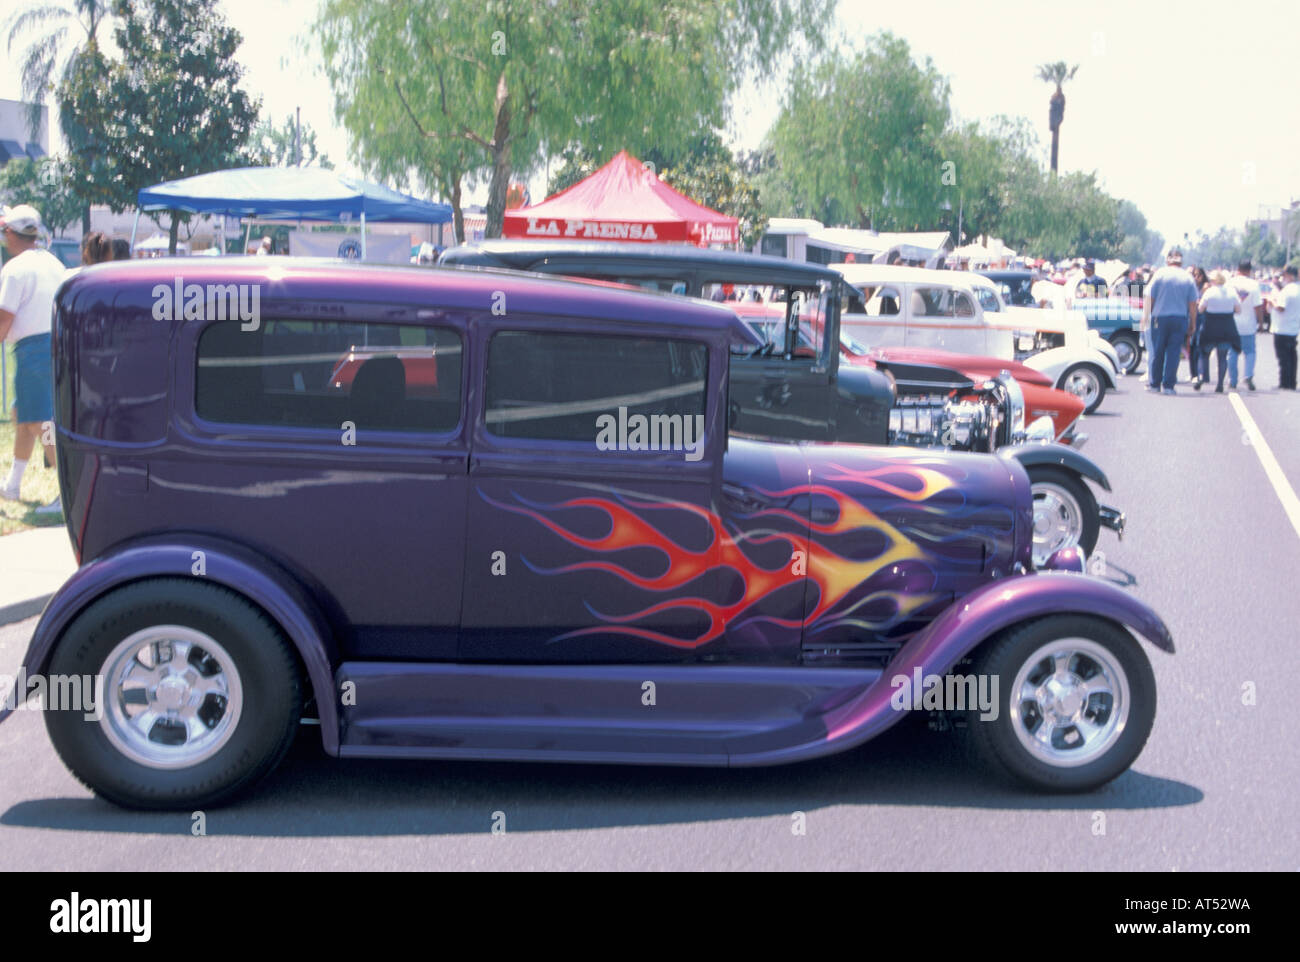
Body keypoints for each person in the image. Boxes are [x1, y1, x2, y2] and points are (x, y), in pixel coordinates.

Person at [0, 205, 66, 516]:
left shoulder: (14, 269)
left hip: (33, 351)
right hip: (58, 344)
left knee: (43, 422)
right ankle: (13, 484)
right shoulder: (53, 262)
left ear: (10, 233)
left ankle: (67, 494)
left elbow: (3, 318)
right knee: (22, 415)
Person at [1143, 248, 1198, 394]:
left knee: (1157, 351)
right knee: (1173, 352)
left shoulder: (1160, 274)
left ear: (1168, 261)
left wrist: (1146, 317)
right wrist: (1193, 322)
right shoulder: (1187, 277)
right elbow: (1193, 304)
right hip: (1179, 318)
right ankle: (1168, 385)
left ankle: (1155, 384)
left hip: (1159, 318)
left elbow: (1150, 297)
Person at [1195, 270, 1240, 392]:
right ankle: (1220, 384)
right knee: (1222, 356)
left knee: (1204, 353)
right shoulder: (1231, 292)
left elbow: (1200, 309)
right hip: (1226, 326)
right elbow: (1238, 309)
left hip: (1210, 326)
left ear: (1213, 280)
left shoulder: (1209, 292)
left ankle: (1203, 377)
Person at [1227, 259, 1262, 390]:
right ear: (1249, 270)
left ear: (1238, 269)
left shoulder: (1230, 283)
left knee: (1232, 353)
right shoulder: (1254, 285)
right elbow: (1258, 306)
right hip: (1249, 324)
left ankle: (1233, 379)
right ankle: (1248, 375)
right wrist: (1261, 323)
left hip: (1232, 323)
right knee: (1250, 352)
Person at [1267, 264, 1300, 390]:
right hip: (1293, 327)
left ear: (1290, 276)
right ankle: (1291, 381)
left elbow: (1281, 307)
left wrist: (1272, 302)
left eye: (1285, 275)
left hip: (1282, 327)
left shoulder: (1288, 290)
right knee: (1292, 356)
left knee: (1283, 357)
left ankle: (1284, 382)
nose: (1283, 278)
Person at [1187, 265, 1209, 385]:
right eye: (1194, 275)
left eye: (1198, 275)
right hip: (1193, 318)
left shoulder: (1205, 287)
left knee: (1200, 347)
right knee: (1193, 346)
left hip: (1203, 319)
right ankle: (1194, 374)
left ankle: (1201, 374)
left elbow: (1203, 303)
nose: (1196, 277)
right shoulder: (1193, 286)